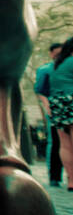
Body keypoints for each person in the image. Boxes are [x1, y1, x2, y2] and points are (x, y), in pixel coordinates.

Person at [35, 43, 64, 187]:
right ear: (51, 54)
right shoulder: (45, 69)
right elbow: (40, 90)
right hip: (53, 109)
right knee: (55, 143)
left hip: (67, 107)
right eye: (57, 53)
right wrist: (47, 106)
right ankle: (54, 176)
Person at [47, 38, 73, 190]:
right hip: (71, 98)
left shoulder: (55, 65)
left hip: (56, 102)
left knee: (64, 144)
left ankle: (71, 181)